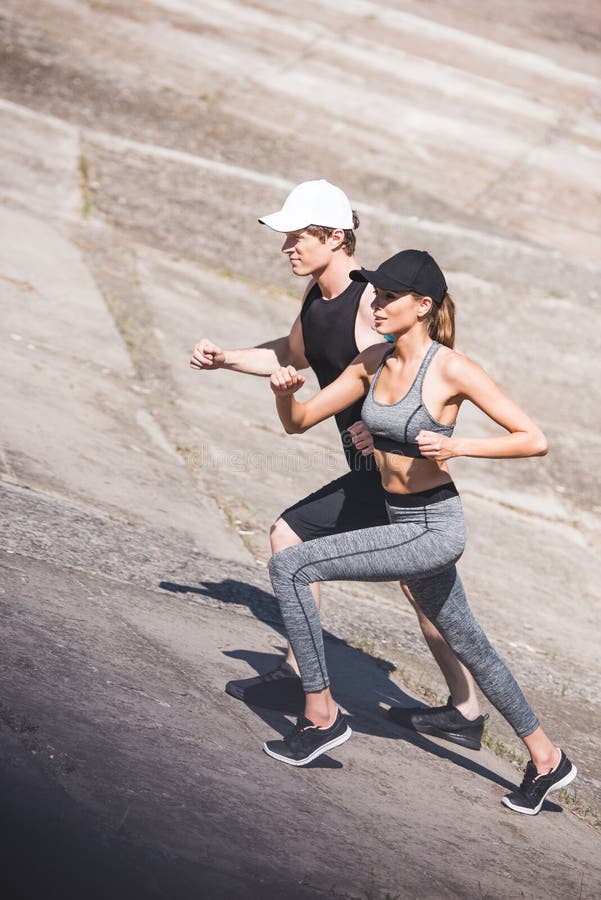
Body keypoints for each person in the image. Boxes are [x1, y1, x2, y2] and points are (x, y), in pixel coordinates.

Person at [264, 248, 576, 816]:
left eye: (387, 296)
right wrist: (287, 394)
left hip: (434, 524)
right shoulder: (375, 359)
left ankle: (321, 717)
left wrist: (459, 444)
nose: (376, 304)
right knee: (471, 646)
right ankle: (548, 758)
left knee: (292, 564)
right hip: (398, 516)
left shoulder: (450, 368)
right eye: (374, 294)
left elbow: (533, 438)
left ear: (424, 305)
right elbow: (301, 422)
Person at [190, 180, 485, 749]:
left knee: (291, 536)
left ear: (333, 236)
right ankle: (467, 708)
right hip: (371, 472)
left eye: (297, 237)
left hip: (390, 474)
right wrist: (227, 358)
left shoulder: (366, 309)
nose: (287, 249)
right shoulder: (318, 299)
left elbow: (419, 379)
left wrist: (382, 431)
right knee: (423, 590)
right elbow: (291, 352)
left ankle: (311, 686)